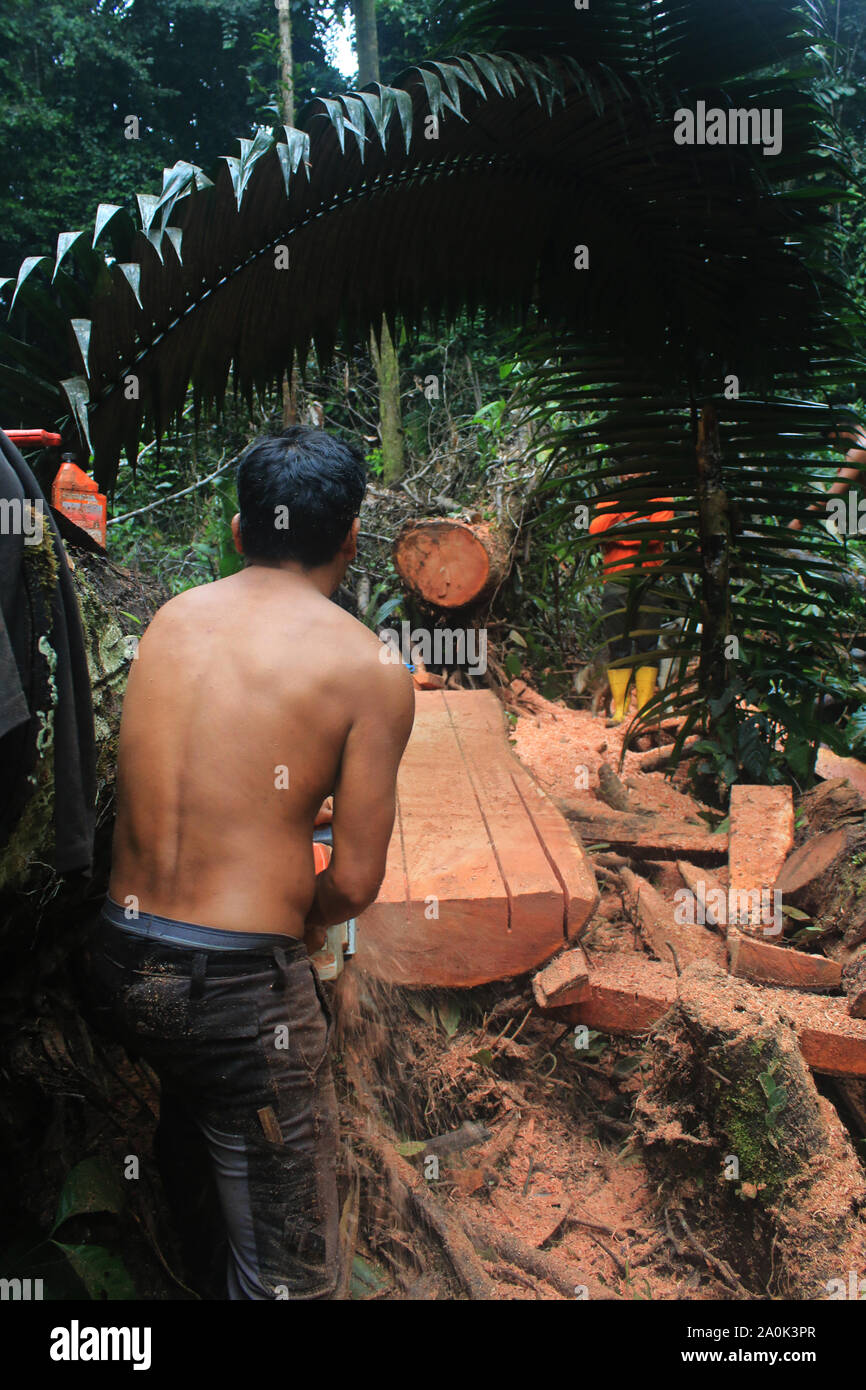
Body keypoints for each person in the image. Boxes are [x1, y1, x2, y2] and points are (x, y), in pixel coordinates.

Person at [76, 426, 415, 1300]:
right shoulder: (368, 668)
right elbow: (355, 884)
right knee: (292, 1276)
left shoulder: (172, 618)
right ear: (349, 540)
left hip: (120, 960)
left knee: (201, 1145)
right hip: (233, 995)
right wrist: (285, 898)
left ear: (237, 531)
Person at [588, 475, 674, 725]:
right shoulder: (610, 500)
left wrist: (619, 530)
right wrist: (637, 523)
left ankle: (646, 710)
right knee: (618, 646)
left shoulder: (662, 498)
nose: (630, 476)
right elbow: (596, 531)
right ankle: (620, 711)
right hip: (616, 583)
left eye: (635, 472)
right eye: (627, 472)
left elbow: (656, 535)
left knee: (648, 645)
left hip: (649, 580)